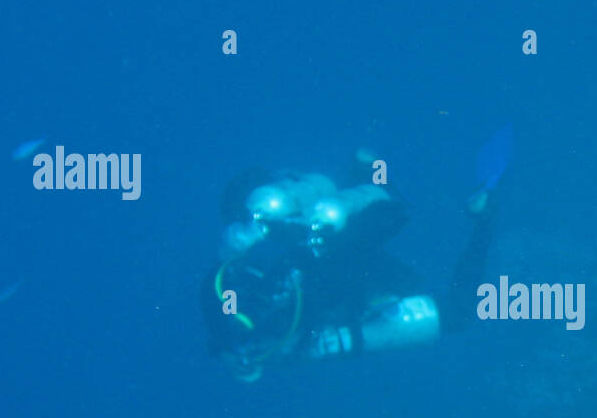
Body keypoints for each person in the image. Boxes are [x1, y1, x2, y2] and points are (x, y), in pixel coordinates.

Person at [202, 157, 496, 382]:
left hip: (347, 304)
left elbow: (390, 217)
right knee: (456, 314)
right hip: (346, 303)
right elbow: (392, 216)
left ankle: (484, 219)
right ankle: (484, 218)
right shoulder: (299, 245)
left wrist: (229, 345)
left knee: (456, 314)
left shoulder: (296, 248)